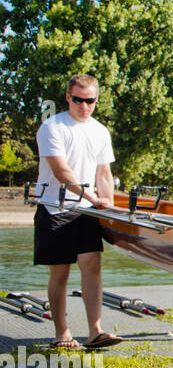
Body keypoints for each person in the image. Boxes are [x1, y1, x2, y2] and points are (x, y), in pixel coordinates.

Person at [33, 74, 122, 349]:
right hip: (55, 207)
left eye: (90, 100)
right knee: (60, 273)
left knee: (92, 265)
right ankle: (62, 334)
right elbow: (62, 172)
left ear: (96, 100)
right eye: (78, 100)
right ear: (68, 98)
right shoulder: (52, 127)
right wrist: (95, 198)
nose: (84, 106)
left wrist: (107, 203)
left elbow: (104, 172)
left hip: (87, 210)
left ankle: (95, 331)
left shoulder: (100, 131)